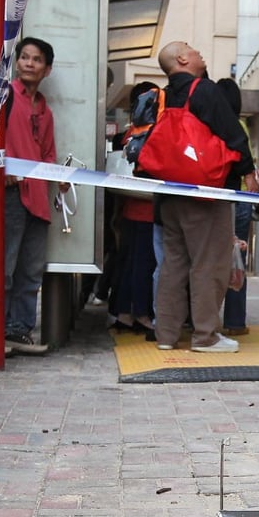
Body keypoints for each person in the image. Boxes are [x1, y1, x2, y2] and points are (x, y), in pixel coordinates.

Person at [151, 41, 258, 353]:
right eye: (192, 49)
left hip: (168, 193)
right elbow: (232, 133)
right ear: (182, 59)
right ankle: (205, 336)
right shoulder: (204, 90)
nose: (198, 52)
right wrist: (248, 170)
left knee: (173, 265)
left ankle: (166, 336)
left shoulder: (162, 97)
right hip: (206, 192)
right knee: (208, 264)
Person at [0, 37, 65, 357]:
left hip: (39, 199)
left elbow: (48, 155)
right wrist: (0, 163)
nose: (29, 64)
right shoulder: (2, 94)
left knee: (30, 271)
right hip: (9, 194)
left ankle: (17, 333)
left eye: (36, 59)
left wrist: (60, 180)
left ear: (47, 69)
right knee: (1, 266)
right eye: (24, 57)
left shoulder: (45, 110)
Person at [108, 81, 159, 338]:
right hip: (149, 210)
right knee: (144, 265)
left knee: (127, 263)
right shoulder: (153, 132)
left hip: (127, 208)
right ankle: (141, 313)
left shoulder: (130, 134)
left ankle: (123, 313)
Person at [216, 77, 255, 337]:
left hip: (219, 197)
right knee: (236, 259)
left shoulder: (215, 124)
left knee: (209, 260)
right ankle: (235, 321)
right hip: (241, 200)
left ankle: (200, 319)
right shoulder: (242, 127)